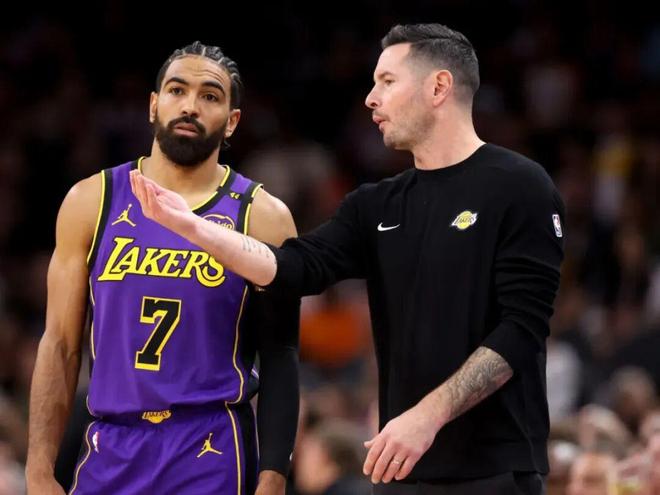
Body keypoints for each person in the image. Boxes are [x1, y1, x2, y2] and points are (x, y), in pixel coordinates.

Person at [131, 23, 565, 494]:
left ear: (439, 87)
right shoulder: (376, 204)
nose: (371, 99)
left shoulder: (520, 185)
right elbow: (293, 268)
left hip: (495, 471)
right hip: (399, 470)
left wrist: (427, 416)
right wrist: (196, 227)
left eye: (387, 81)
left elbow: (522, 329)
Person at [25, 41, 300, 495]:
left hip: (211, 448)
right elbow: (59, 345)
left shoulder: (263, 216)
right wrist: (38, 467)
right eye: (177, 90)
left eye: (210, 96)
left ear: (232, 120)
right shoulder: (91, 201)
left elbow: (280, 356)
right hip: (111, 444)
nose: (190, 105)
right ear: (154, 105)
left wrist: (273, 479)